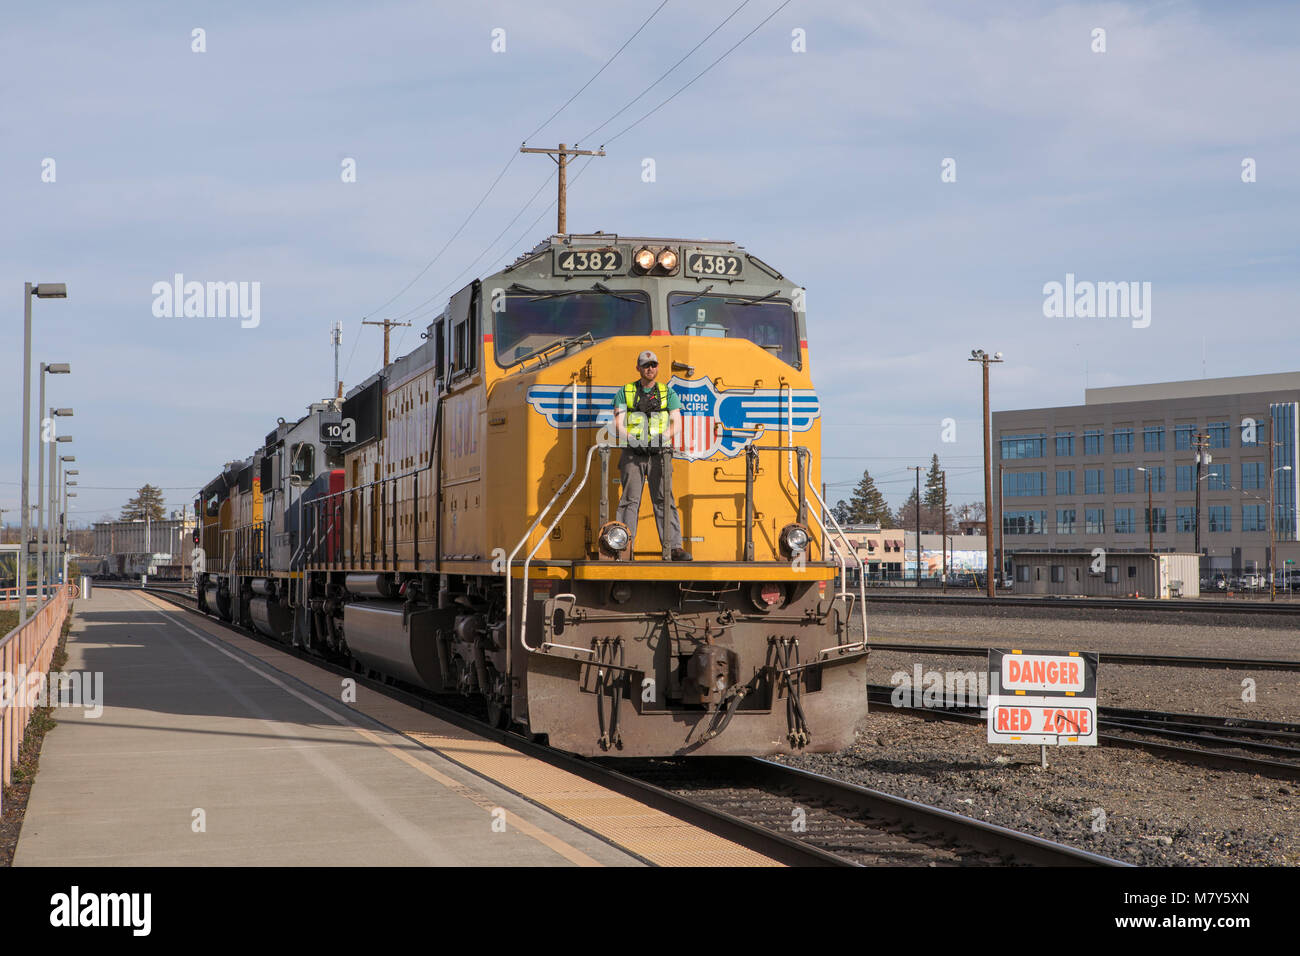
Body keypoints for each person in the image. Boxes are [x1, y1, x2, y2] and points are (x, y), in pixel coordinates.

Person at [612, 351, 692, 561]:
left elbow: (677, 422)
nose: (650, 368)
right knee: (630, 500)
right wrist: (632, 439)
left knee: (665, 499)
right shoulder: (625, 392)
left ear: (657, 367)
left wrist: (661, 438)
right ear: (638, 368)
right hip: (632, 454)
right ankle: (624, 547)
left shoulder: (668, 393)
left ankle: (674, 548)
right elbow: (618, 422)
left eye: (653, 365)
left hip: (661, 454)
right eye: (645, 365)